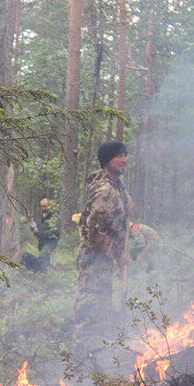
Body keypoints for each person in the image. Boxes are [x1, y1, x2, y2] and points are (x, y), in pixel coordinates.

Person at [75, 141, 131, 355]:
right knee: (91, 312)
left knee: (102, 311)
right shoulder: (105, 190)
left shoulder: (116, 186)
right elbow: (93, 229)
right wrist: (110, 251)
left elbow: (114, 223)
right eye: (119, 156)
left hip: (105, 261)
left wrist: (119, 255)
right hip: (95, 262)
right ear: (108, 160)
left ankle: (96, 359)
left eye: (125, 155)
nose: (124, 159)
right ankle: (82, 362)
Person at [30, 198, 60, 266]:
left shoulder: (54, 216)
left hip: (51, 241)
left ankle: (41, 272)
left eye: (45, 206)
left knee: (43, 255)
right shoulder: (42, 216)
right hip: (42, 240)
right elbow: (38, 226)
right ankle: (46, 271)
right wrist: (33, 228)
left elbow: (55, 231)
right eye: (42, 206)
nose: (43, 208)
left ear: (49, 205)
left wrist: (41, 233)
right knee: (45, 258)